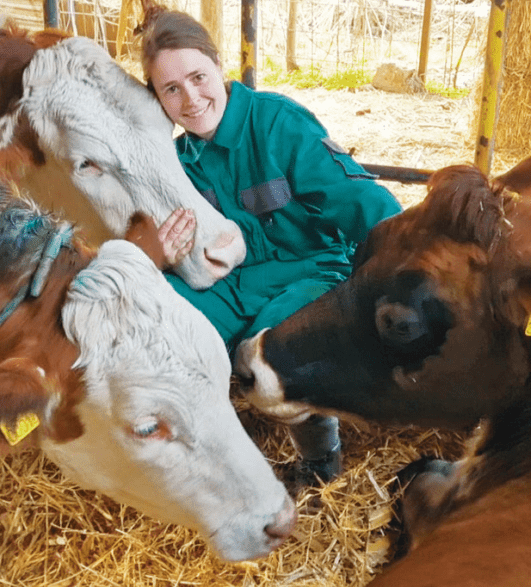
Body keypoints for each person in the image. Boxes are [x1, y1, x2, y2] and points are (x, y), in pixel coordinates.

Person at [140, 9, 403, 486]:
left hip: (311, 269)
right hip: (229, 281)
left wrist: (409, 255)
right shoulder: (178, 161)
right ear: (158, 98)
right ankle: (188, 462)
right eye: (171, 89)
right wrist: (156, 251)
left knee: (265, 358)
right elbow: (155, 240)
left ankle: (320, 460)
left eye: (198, 77)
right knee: (159, 323)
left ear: (219, 67)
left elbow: (359, 200)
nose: (191, 99)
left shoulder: (277, 123)